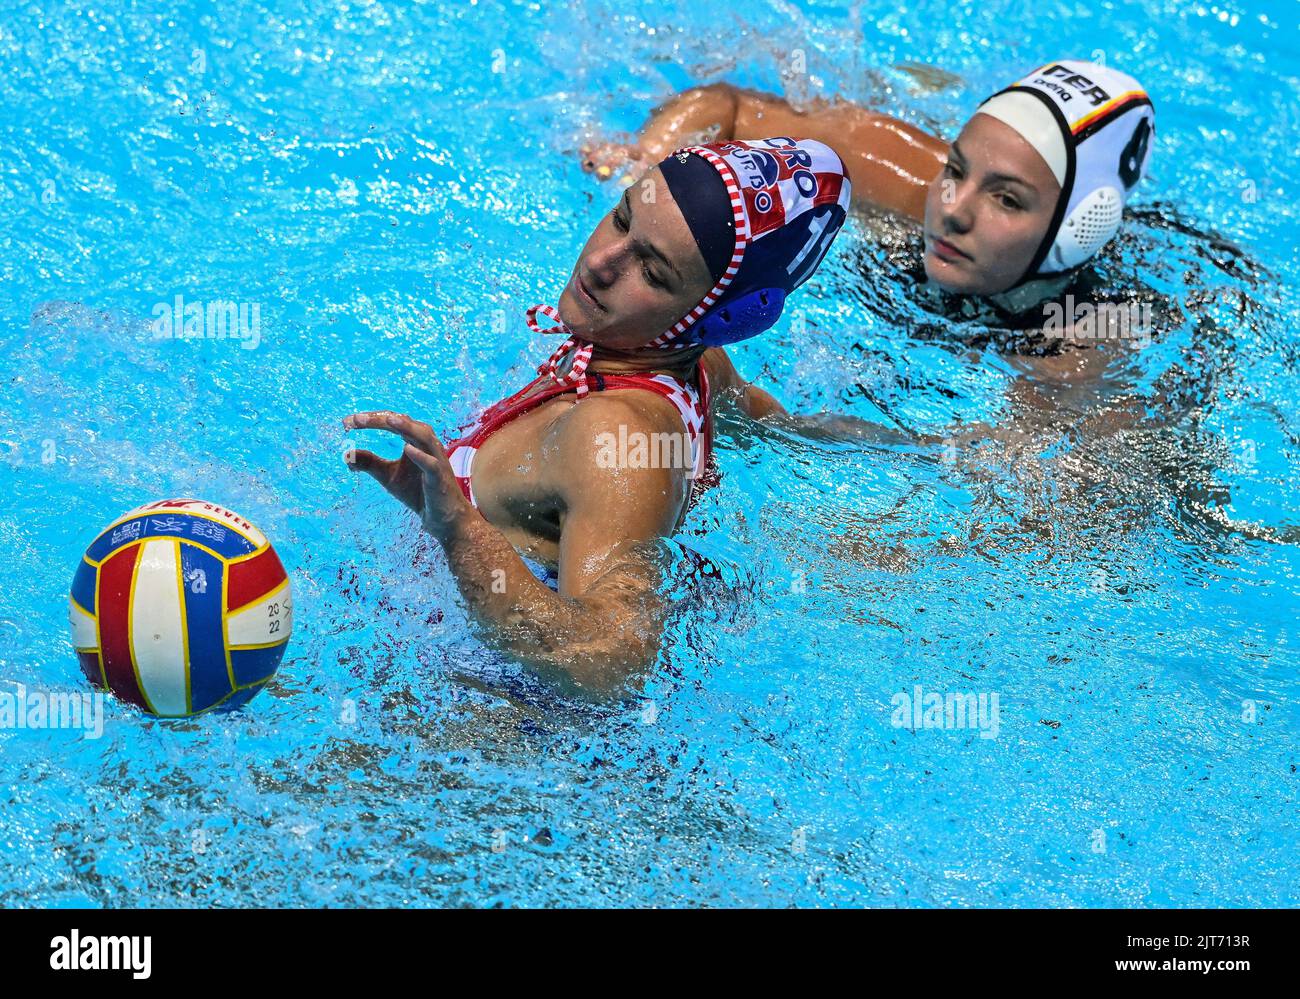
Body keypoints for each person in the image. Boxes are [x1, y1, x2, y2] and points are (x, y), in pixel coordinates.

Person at [344, 138, 852, 695]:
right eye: (622, 218)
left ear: (723, 318)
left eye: (652, 272)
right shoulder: (703, 367)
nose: (601, 263)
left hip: (494, 716)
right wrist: (915, 447)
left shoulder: (615, 435)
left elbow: (608, 664)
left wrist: (460, 532)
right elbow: (779, 429)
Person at [582, 60, 1156, 367]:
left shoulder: (1082, 348)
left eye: (1006, 199)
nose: (952, 208)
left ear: (1079, 229)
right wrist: (645, 164)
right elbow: (724, 105)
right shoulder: (916, 180)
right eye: (957, 169)